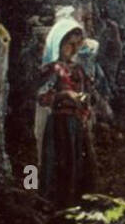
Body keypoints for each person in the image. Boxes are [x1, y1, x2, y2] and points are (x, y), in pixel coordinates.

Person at [37, 11, 93, 207]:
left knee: (76, 161)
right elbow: (43, 97)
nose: (74, 49)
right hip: (58, 124)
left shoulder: (77, 69)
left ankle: (74, 202)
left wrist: (84, 100)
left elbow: (86, 90)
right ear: (59, 43)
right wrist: (66, 96)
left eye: (78, 45)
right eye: (70, 44)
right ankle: (53, 202)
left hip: (76, 123)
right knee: (58, 160)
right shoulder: (52, 70)